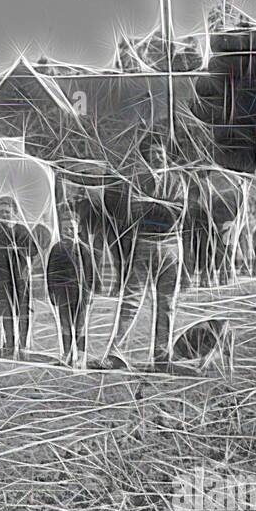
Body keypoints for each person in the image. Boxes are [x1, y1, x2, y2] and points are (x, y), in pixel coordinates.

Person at [105, 139, 188, 370]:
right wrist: (161, 207)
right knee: (131, 299)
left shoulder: (176, 180)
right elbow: (135, 211)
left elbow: (178, 213)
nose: (156, 157)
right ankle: (115, 353)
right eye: (151, 153)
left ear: (165, 154)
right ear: (146, 157)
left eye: (159, 152)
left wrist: (154, 207)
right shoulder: (139, 180)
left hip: (171, 246)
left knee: (167, 303)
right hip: (145, 244)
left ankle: (161, 356)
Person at [0, 194, 38, 359]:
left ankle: (23, 345)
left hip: (19, 277)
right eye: (1, 212)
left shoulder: (22, 229)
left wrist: (18, 250)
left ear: (15, 211)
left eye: (7, 211)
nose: (4, 215)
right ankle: (9, 344)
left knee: (23, 311)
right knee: (6, 311)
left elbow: (34, 251)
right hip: (1, 275)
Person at [46, 207, 95, 368]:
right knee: (65, 324)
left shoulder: (84, 249)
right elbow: (50, 272)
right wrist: (51, 292)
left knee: (80, 325)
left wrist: (88, 295)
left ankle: (80, 356)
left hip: (80, 293)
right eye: (65, 228)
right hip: (62, 293)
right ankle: (66, 354)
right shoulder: (57, 249)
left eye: (71, 228)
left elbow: (90, 275)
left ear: (78, 229)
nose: (68, 231)